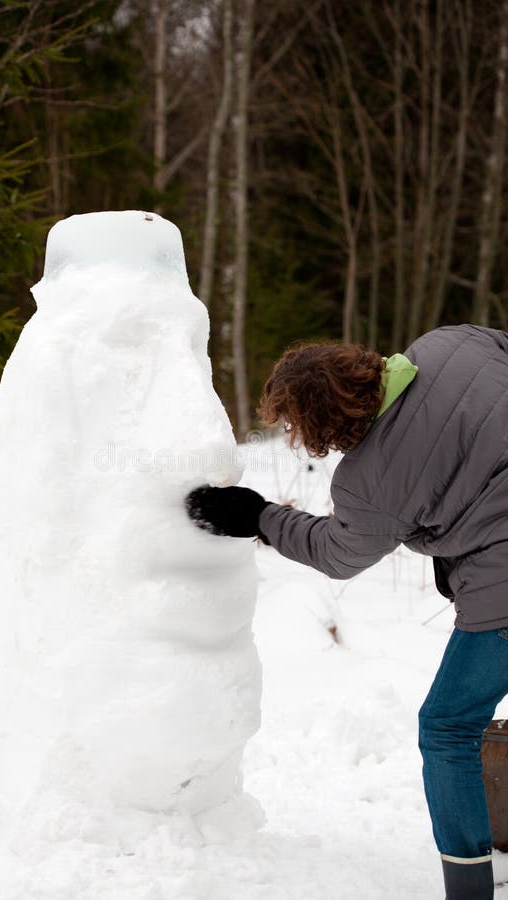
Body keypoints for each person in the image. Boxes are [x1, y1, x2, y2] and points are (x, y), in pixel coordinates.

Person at [185, 324, 508, 900]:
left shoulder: (370, 482)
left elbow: (337, 553)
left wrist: (257, 516)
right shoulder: (451, 344)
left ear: (320, 425)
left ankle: (470, 888)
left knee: (447, 727)